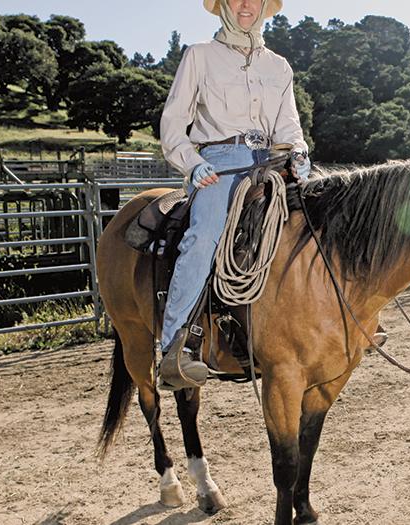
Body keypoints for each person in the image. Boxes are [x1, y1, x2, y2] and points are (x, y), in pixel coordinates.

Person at [157, 0, 310, 390]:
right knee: (204, 234)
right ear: (223, 6)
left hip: (273, 161)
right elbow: (174, 122)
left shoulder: (279, 66)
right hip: (219, 161)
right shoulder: (199, 56)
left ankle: (348, 317)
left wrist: (298, 152)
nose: (246, 5)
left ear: (264, 7)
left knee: (321, 218)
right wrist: (192, 163)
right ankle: (175, 346)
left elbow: (289, 124)